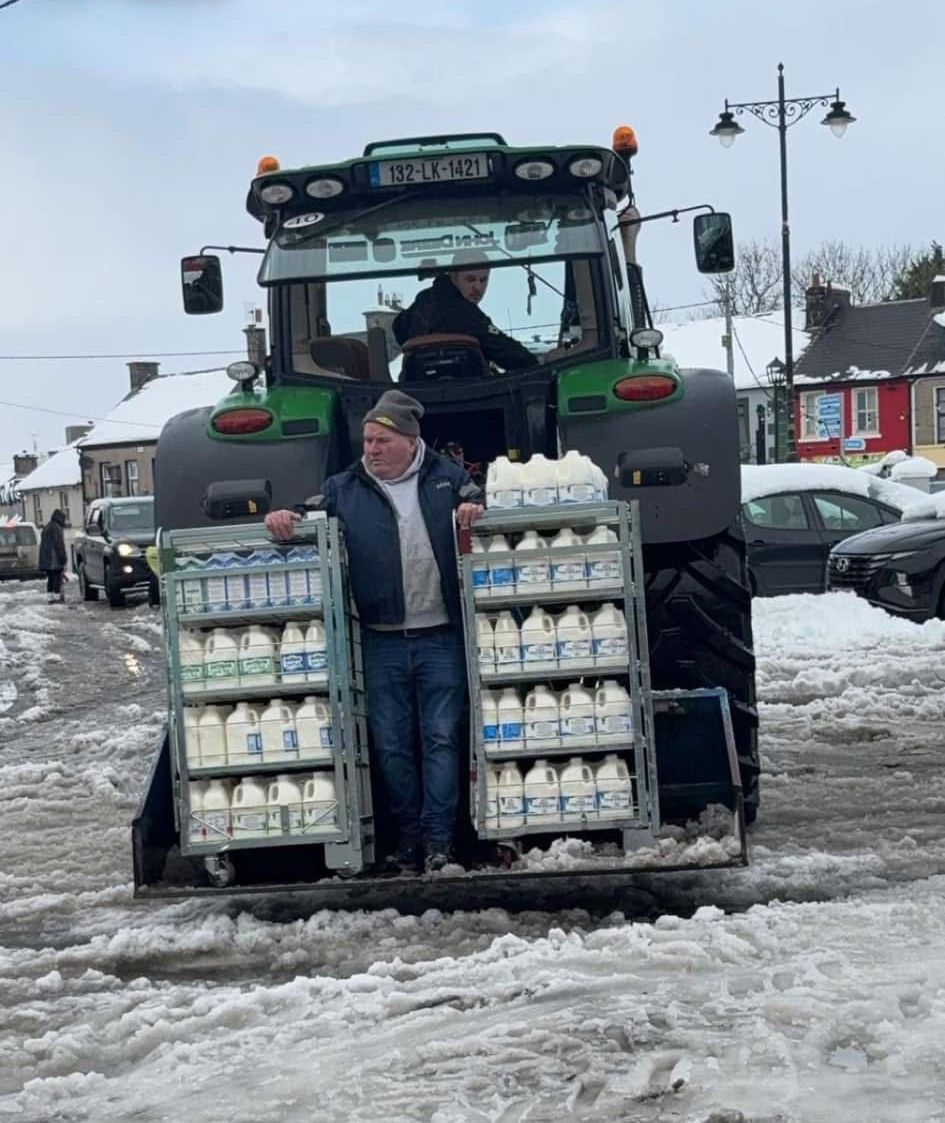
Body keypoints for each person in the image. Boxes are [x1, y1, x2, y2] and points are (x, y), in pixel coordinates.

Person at [265, 390, 485, 874]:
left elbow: (479, 497)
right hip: (382, 638)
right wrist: (284, 517)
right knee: (390, 744)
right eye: (367, 440)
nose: (372, 449)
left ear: (410, 440)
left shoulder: (447, 478)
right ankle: (407, 840)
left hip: (441, 635)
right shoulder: (345, 488)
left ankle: (440, 842)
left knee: (443, 738)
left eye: (382, 440)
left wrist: (475, 509)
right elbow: (306, 513)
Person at [393, 250, 539, 373]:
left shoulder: (422, 302)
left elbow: (398, 328)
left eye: (483, 280)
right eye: (470, 279)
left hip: (418, 391)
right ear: (453, 276)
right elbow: (505, 351)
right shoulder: (468, 314)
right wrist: (536, 364)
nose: (478, 287)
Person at [39, 509, 67, 604]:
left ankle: (50, 597)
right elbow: (59, 544)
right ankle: (57, 597)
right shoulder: (57, 528)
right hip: (54, 559)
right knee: (57, 578)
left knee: (50, 578)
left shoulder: (47, 527)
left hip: (46, 559)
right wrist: (63, 558)